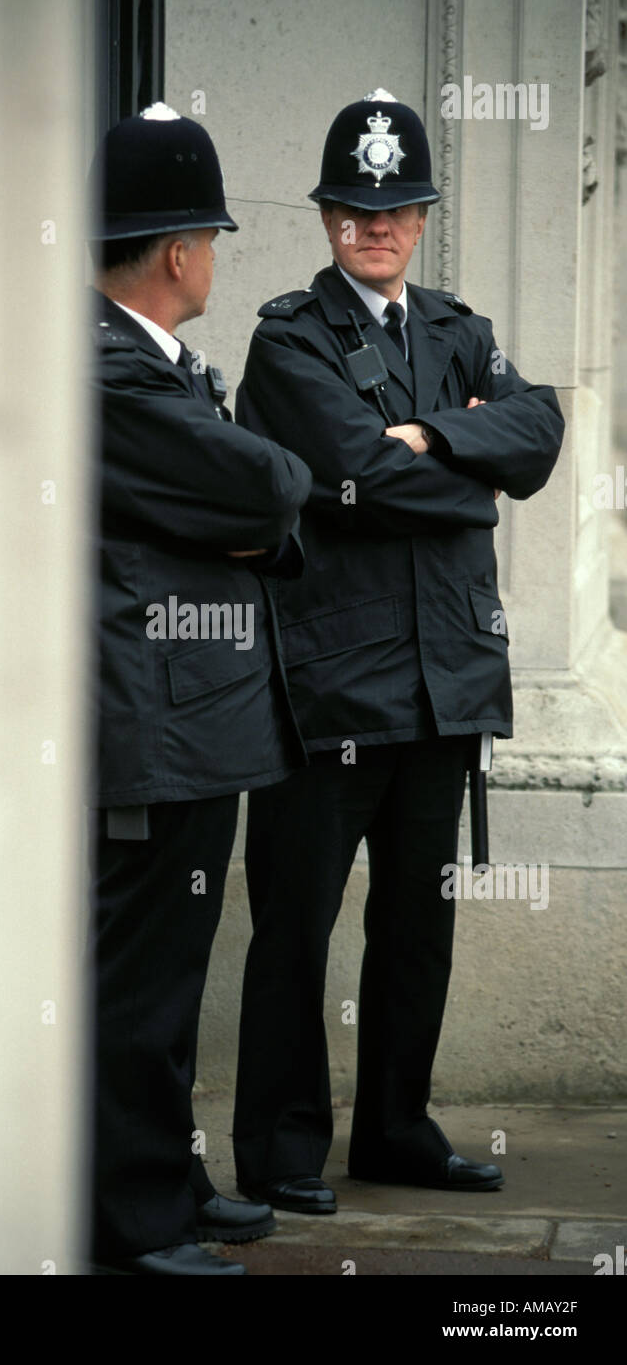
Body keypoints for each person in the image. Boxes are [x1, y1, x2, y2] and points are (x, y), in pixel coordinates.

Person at [232, 90, 564, 1213]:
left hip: (444, 682)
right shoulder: (288, 340)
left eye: (397, 210)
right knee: (296, 927)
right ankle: (280, 1149)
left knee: (419, 925)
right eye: (356, 209)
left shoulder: (462, 331)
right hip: (330, 686)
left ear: (421, 218)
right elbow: (355, 474)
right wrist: (469, 475)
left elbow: (540, 434)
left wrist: (437, 436)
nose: (377, 227)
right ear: (328, 217)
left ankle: (396, 1130)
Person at [88, 103, 312, 1273]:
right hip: (150, 724)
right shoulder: (105, 370)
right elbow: (275, 486)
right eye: (213, 239)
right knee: (137, 985)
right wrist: (249, 514)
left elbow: (259, 517)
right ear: (179, 252)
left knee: (167, 985)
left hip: (187, 720)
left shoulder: (152, 365)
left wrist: (245, 521)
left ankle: (165, 1181)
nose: (218, 258)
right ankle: (130, 1224)